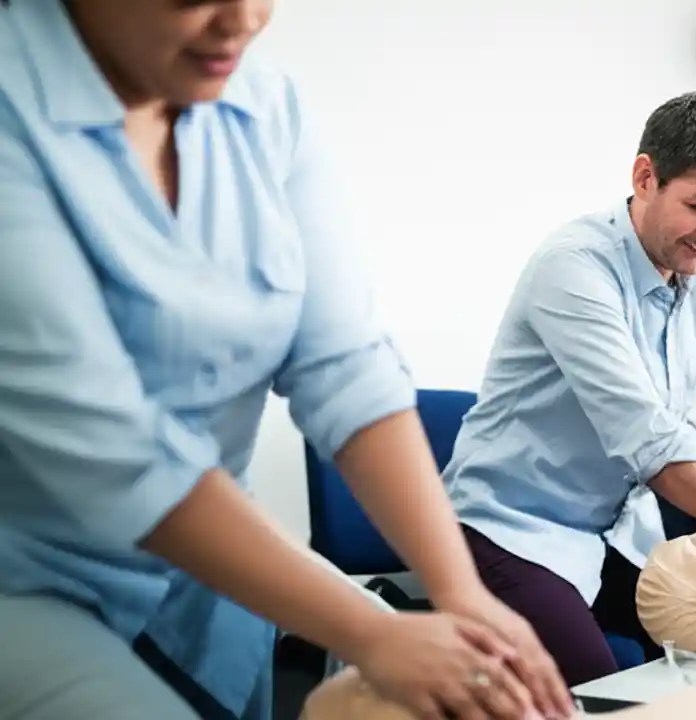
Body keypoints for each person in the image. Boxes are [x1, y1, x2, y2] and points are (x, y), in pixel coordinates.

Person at [0, 2, 572, 719]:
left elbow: (348, 369)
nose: (241, 20)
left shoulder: (265, 108)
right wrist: (376, 631)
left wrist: (459, 595)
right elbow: (117, 457)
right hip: (28, 588)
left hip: (213, 584)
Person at [443, 91, 696, 687]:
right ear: (645, 176)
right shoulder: (573, 268)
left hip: (613, 536)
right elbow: (652, 441)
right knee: (602, 686)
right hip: (506, 532)